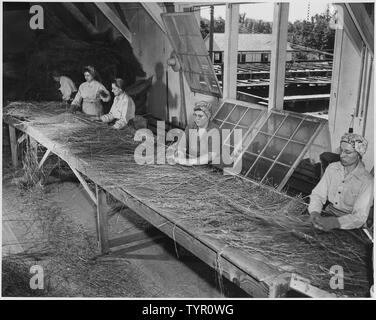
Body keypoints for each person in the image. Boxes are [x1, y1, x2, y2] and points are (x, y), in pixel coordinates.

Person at [308, 132, 373, 231]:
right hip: (328, 212)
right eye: (341, 150)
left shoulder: (367, 181)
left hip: (351, 223)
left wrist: (334, 222)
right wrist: (314, 212)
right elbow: (318, 194)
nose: (342, 155)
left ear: (359, 154)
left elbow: (359, 217)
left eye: (348, 152)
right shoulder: (332, 168)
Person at [169, 101, 221, 166]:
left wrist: (191, 162)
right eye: (195, 115)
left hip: (207, 167)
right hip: (190, 162)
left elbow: (211, 155)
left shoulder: (214, 130)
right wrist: (181, 156)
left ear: (208, 116)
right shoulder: (191, 126)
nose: (196, 118)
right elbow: (182, 145)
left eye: (200, 116)